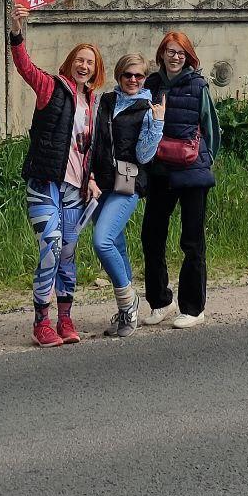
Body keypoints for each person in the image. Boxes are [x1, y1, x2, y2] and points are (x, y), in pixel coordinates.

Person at [9, 1, 104, 347]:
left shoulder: (93, 102)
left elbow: (89, 147)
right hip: (45, 182)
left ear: (96, 71)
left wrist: (91, 178)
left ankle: (65, 319)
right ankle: (40, 322)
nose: (84, 65)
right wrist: (17, 32)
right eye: (80, 59)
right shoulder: (51, 88)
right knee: (50, 245)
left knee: (67, 252)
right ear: (70, 63)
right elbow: (25, 67)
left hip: (75, 190)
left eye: (90, 63)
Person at [141, 31, 221, 330]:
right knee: (151, 236)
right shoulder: (152, 84)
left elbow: (212, 129)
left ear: (188, 57)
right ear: (161, 54)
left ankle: (193, 307)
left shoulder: (197, 85)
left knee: (191, 241)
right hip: (161, 170)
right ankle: (161, 301)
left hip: (192, 173)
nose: (175, 57)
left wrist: (204, 159)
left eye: (181, 53)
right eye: (170, 51)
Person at [88, 54, 165, 339]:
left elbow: (145, 156)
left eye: (139, 76)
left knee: (102, 240)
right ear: (119, 76)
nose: (133, 80)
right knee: (117, 244)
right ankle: (126, 311)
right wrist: (90, 177)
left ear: (145, 78)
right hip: (99, 184)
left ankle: (128, 301)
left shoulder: (148, 108)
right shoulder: (105, 101)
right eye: (127, 75)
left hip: (128, 183)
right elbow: (93, 141)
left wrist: (157, 124)